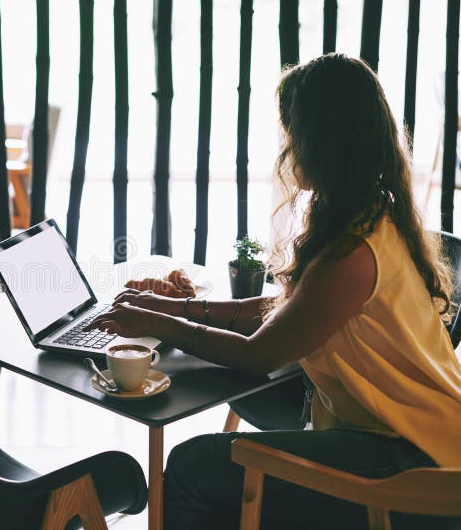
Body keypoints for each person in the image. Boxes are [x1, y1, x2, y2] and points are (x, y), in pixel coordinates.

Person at [86, 53, 461, 529]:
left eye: (293, 132)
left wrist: (160, 325)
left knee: (190, 469)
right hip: (421, 436)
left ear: (325, 141)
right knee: (229, 428)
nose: (287, 147)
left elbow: (260, 353)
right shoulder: (371, 213)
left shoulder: (351, 252)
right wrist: (174, 306)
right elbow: (289, 310)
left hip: (409, 464)